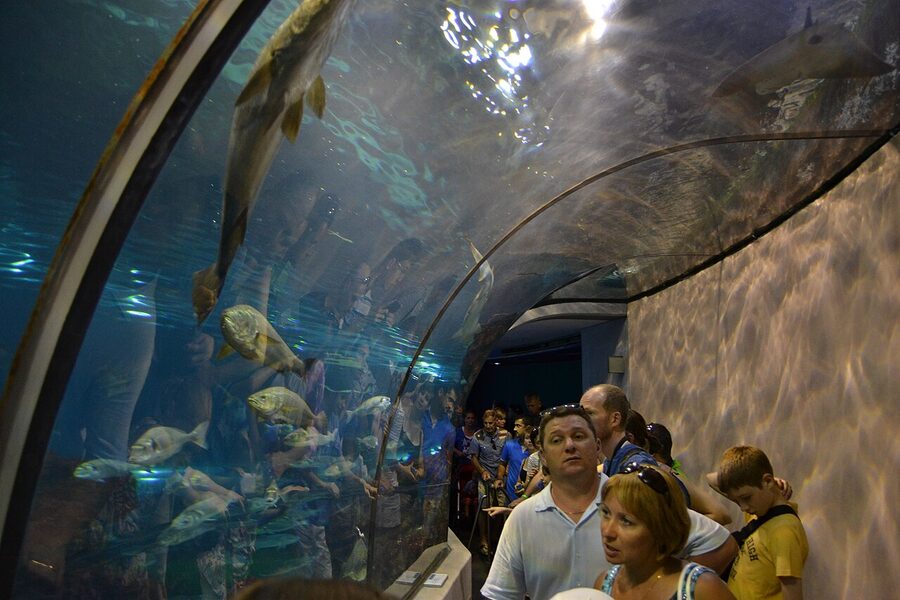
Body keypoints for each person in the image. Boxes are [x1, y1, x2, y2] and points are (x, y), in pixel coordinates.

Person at [482, 405, 738, 600]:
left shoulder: (634, 500)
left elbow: (721, 543)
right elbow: (500, 594)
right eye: (557, 440)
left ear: (597, 447)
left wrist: (673, 588)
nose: (569, 445)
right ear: (544, 457)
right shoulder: (523, 518)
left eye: (579, 436)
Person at [595, 465, 735, 599]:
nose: (608, 532)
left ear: (660, 528)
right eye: (606, 513)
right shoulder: (603, 585)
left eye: (626, 521)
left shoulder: (702, 589)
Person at [712, 446, 808, 600]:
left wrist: (767, 483)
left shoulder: (784, 532)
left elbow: (793, 594)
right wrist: (770, 484)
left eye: (746, 497)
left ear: (767, 481)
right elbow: (712, 479)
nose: (743, 507)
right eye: (737, 500)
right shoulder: (759, 513)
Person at [466, 408, 510, 556]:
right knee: (484, 507)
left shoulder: (506, 435)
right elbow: (473, 457)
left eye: (491, 423)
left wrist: (501, 475)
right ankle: (483, 539)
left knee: (502, 506)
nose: (488, 426)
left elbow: (508, 456)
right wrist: (482, 471)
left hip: (501, 475)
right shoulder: (478, 436)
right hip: (484, 475)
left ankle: (497, 537)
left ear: (496, 421)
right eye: (485, 423)